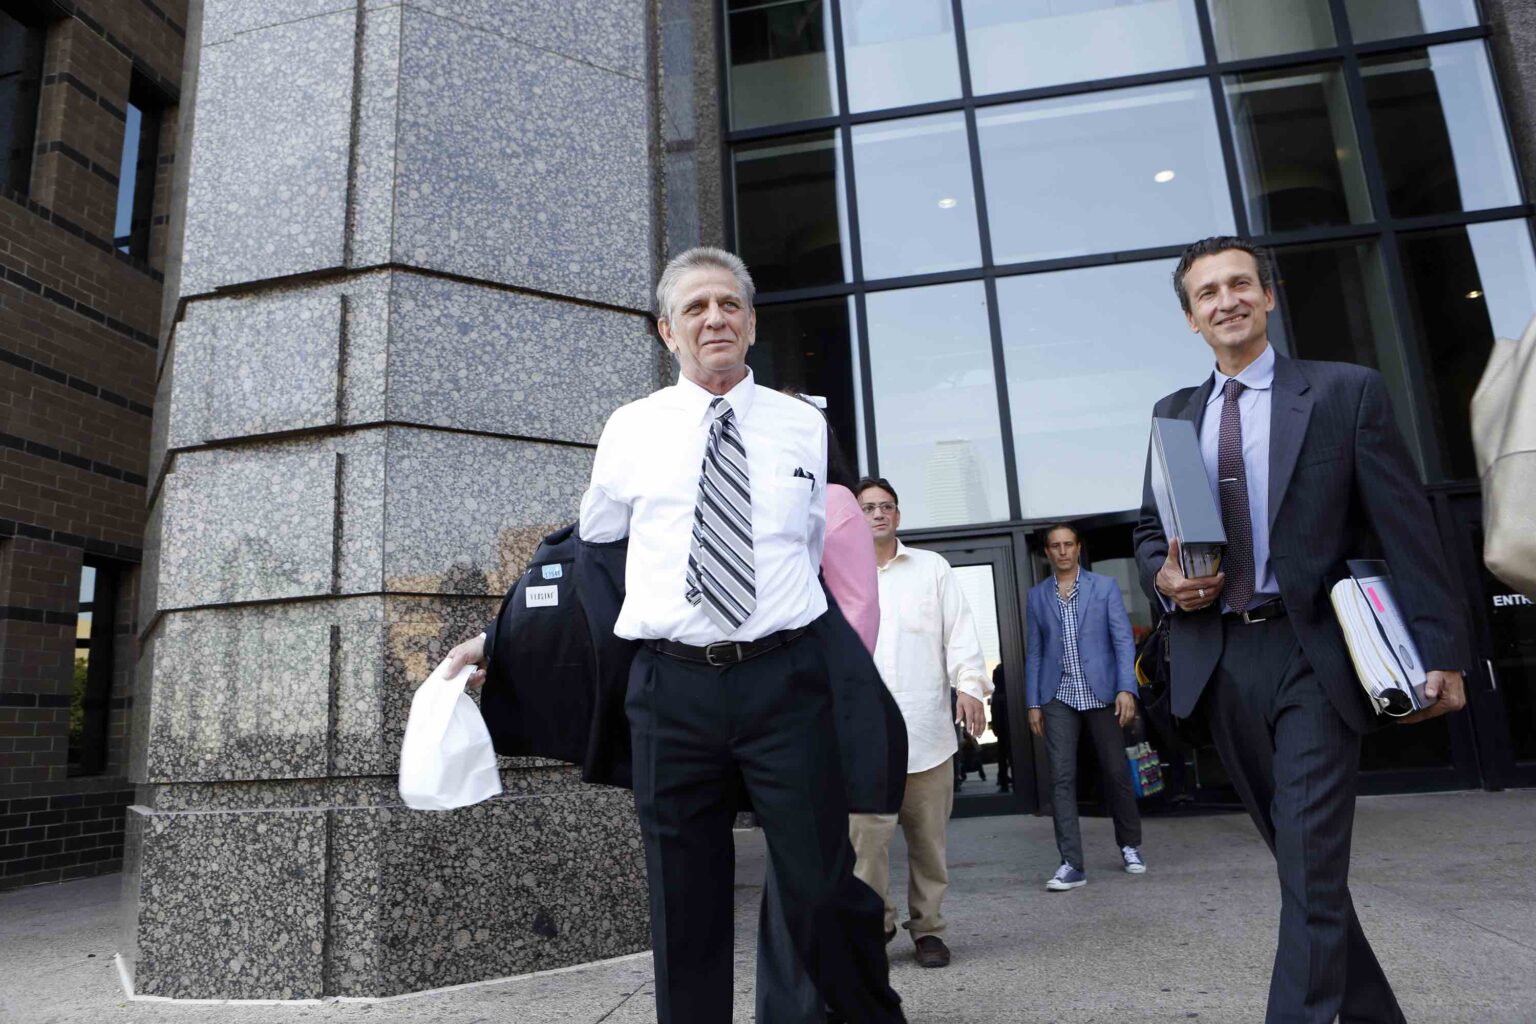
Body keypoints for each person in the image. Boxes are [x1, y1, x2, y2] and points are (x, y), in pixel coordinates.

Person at [446, 247, 904, 1024]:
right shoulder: (630, 430)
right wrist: (500, 639)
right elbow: (586, 561)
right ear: (667, 330)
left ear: (752, 322)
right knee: (684, 912)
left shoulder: (803, 427)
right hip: (671, 690)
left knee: (824, 889)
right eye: (695, 308)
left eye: (729, 304)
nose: (714, 318)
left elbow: (818, 552)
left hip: (787, 684)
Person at [1134, 235, 1469, 1023]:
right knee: (1303, 870)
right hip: (1219, 658)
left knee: (1312, 868)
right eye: (1208, 293)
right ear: (1191, 318)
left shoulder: (1344, 393)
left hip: (1314, 652)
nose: (1227, 301)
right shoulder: (1173, 415)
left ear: (1269, 295)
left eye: (1240, 284)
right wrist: (1166, 576)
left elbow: (1406, 526)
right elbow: (1151, 529)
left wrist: (1443, 648)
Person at [756, 397, 880, 1024]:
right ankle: (798, 1002)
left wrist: (833, 700)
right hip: (771, 708)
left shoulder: (835, 502)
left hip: (815, 705)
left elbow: (857, 611)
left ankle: (819, 1000)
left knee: (810, 865)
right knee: (793, 864)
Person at [853, 477, 990, 969]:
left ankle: (928, 930)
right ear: (854, 515)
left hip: (925, 732)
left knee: (928, 845)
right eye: (867, 507)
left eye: (886, 506)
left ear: (898, 514)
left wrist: (971, 685)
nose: (877, 514)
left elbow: (960, 634)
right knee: (865, 845)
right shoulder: (835, 573)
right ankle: (876, 925)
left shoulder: (932, 568)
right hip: (860, 738)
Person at [1026, 522, 1145, 890]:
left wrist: (1127, 688)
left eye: (1068, 544)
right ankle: (1071, 865)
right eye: (1055, 546)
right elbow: (1035, 651)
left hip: (1102, 693)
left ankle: (1130, 845)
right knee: (1061, 778)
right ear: (1047, 552)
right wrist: (1033, 701)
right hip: (1057, 694)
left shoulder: (1104, 587)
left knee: (1115, 771)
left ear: (1078, 548)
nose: (1062, 551)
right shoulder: (1037, 596)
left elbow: (1123, 641)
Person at [989, 664, 1011, 792]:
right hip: (1007, 729)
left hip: (1001, 730)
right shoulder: (1007, 695)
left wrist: (995, 729)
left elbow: (994, 714)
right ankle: (1003, 778)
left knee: (1002, 755)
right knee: (1009, 754)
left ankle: (1002, 779)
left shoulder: (996, 695)